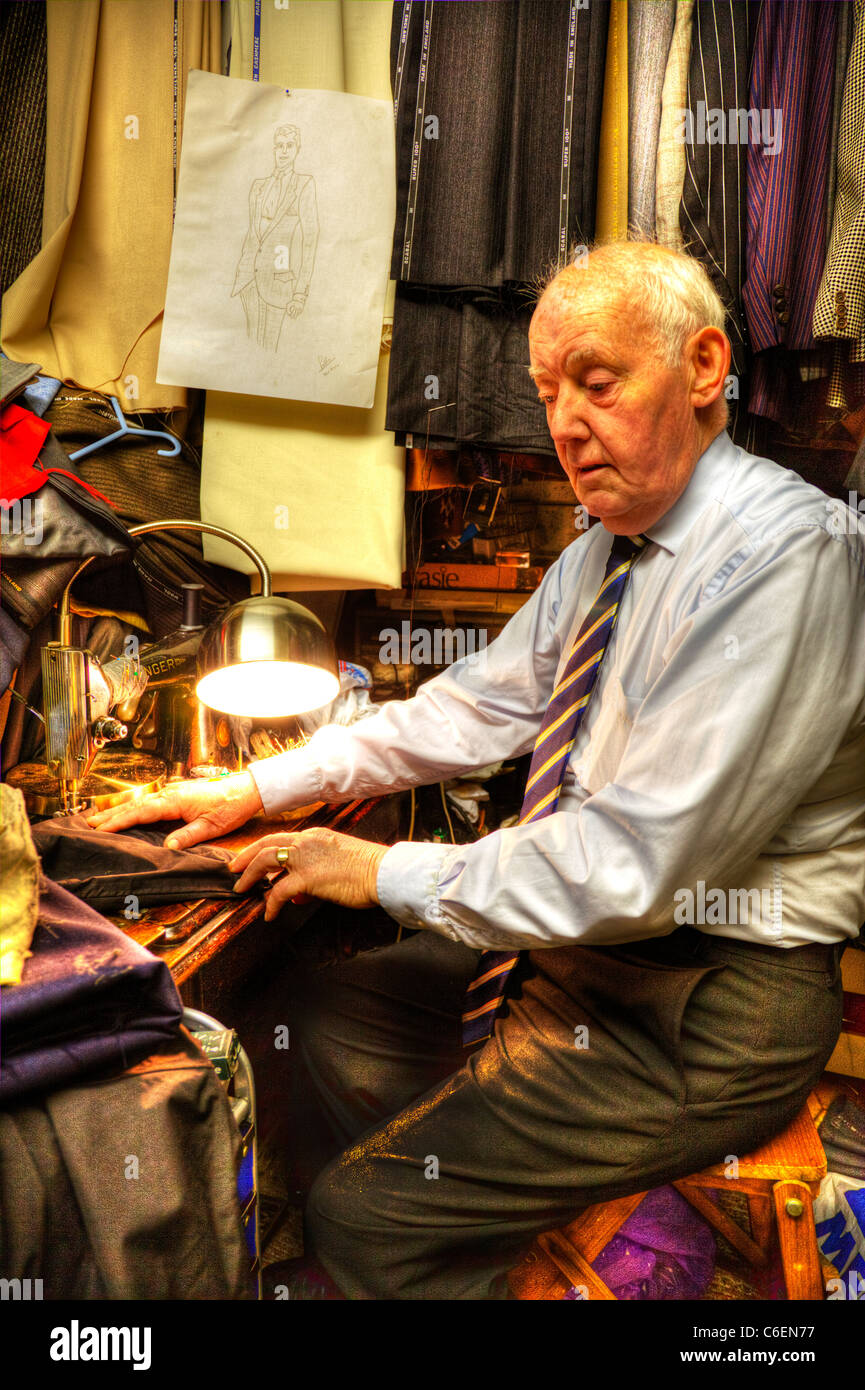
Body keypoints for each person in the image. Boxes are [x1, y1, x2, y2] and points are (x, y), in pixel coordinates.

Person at [89, 241, 865, 1300]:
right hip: (589, 957)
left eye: (598, 382)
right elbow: (477, 704)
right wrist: (265, 786)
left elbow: (633, 865)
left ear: (702, 366)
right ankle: (485, 1241)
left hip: (713, 998)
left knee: (361, 1214)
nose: (565, 425)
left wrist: (375, 870)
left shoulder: (787, 555)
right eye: (549, 395)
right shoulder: (606, 549)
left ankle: (410, 1232)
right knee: (323, 1023)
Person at [232, 124, 319, 352]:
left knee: (269, 351)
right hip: (249, 279)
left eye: (289, 146)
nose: (283, 151)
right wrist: (243, 270)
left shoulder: (303, 185)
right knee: (249, 348)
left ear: (297, 149)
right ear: (273, 149)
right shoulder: (258, 187)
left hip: (279, 282)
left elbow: (310, 239)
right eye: (279, 146)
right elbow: (252, 233)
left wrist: (300, 293)